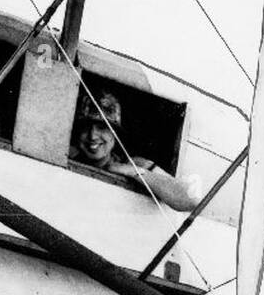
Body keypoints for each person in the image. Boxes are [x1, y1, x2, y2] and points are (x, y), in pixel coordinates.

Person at [69, 88, 199, 212]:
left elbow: (189, 199)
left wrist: (133, 172)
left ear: (115, 133)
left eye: (102, 127)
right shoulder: (66, 156)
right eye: (85, 127)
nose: (92, 136)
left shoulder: (134, 164)